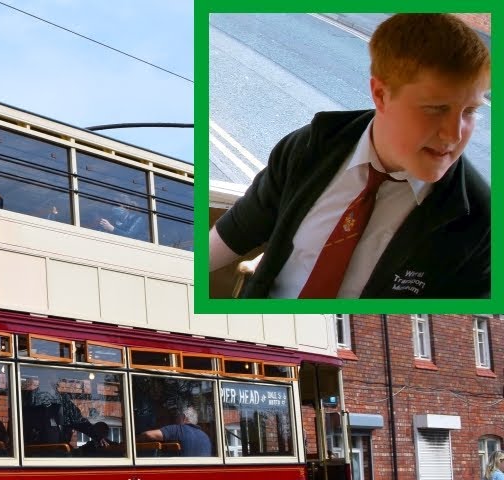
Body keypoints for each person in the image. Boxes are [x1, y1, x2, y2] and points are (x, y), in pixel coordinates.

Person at [209, 14, 490, 299]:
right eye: (436, 108)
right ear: (381, 94)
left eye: (470, 111)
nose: (454, 135)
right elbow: (238, 231)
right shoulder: (309, 146)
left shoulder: (481, 220)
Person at [139, 405, 213, 457]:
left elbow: (148, 435)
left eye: (177, 417)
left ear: (183, 418)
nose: (175, 420)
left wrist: (134, 439)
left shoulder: (178, 429)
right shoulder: (205, 436)